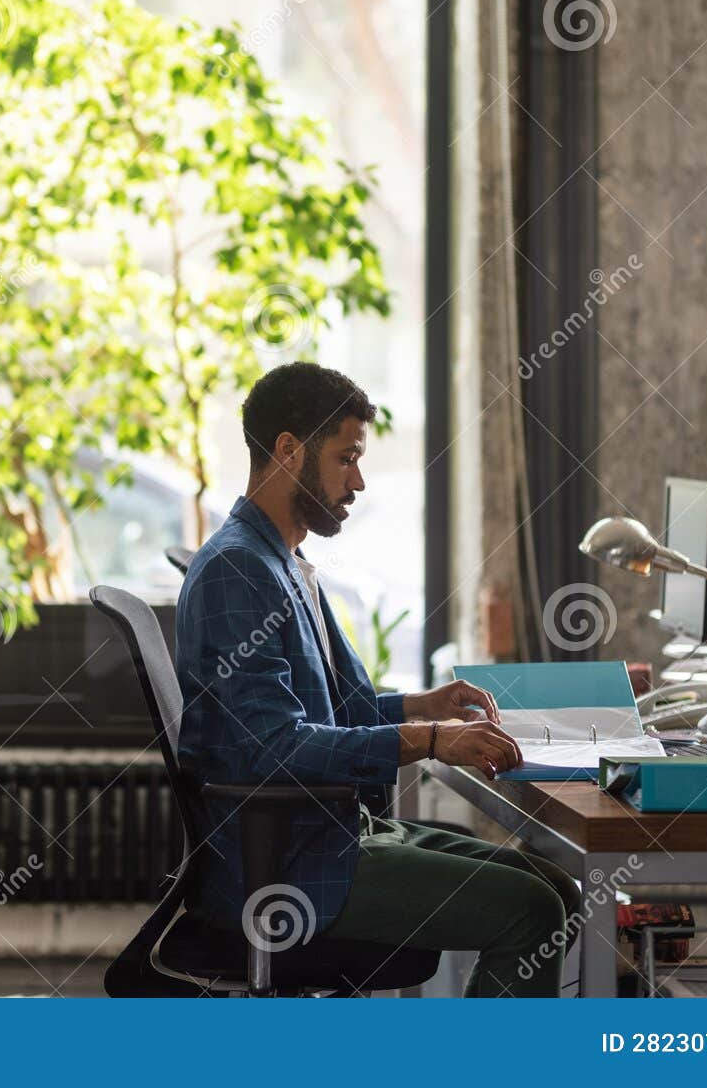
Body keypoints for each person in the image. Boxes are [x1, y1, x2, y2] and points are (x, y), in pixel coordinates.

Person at [175, 361, 582, 996]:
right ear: (288, 451)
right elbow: (271, 749)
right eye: (346, 458)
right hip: (290, 866)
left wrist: (426, 705)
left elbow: (336, 707)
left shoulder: (283, 560)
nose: (358, 481)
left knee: (558, 887)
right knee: (533, 911)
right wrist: (430, 739)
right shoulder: (239, 569)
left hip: (326, 834)